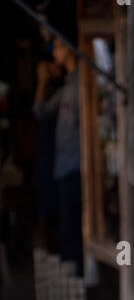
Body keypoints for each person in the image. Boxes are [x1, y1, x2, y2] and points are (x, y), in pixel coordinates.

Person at [33, 36, 82, 275]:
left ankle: (76, 280)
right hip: (64, 166)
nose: (54, 53)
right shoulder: (67, 86)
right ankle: (72, 280)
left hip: (77, 166)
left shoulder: (81, 84)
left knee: (71, 228)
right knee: (66, 227)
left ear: (69, 48)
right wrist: (43, 81)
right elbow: (40, 111)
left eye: (57, 47)